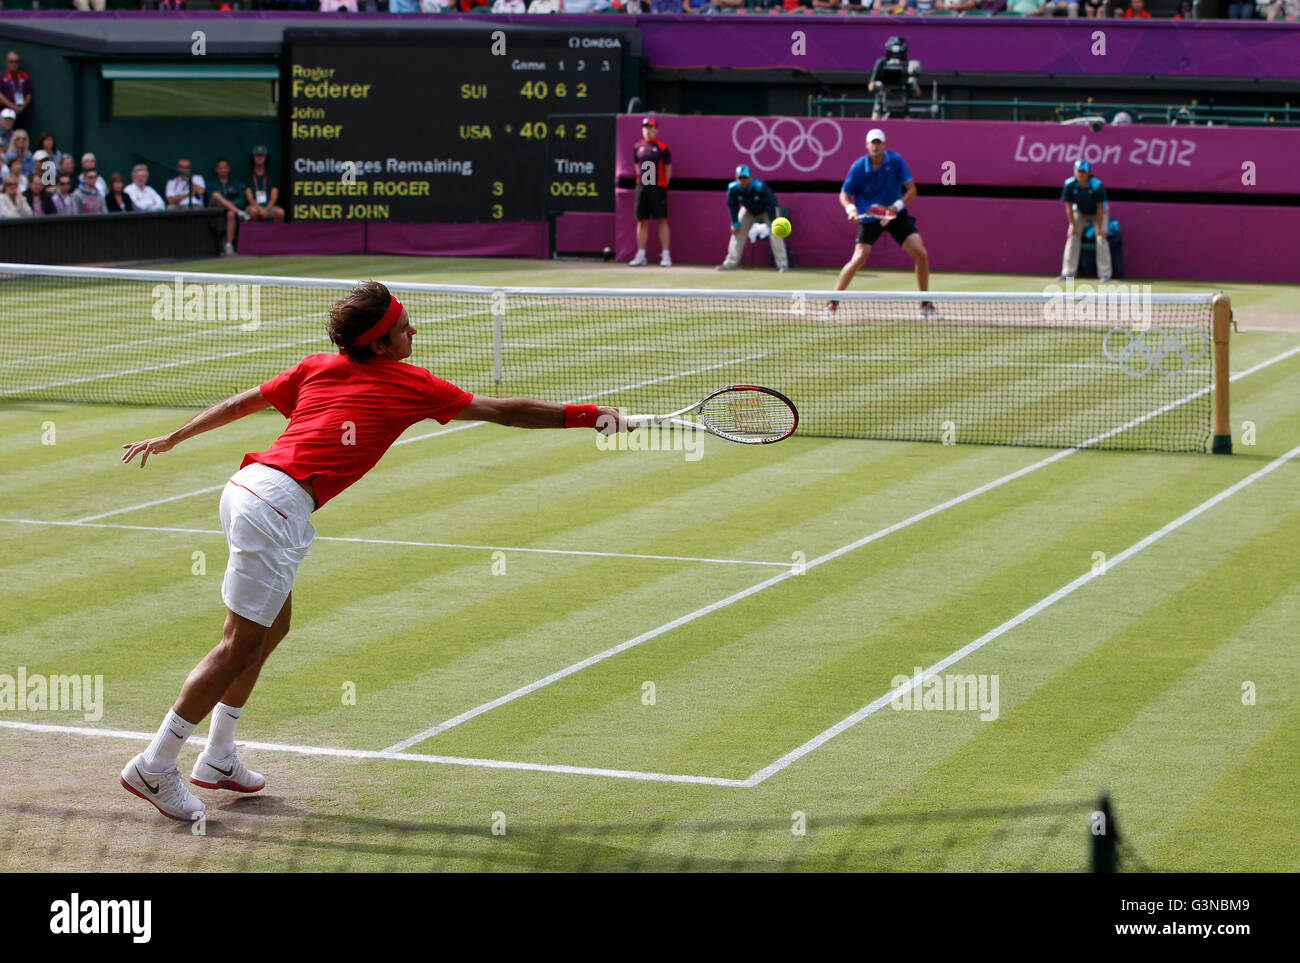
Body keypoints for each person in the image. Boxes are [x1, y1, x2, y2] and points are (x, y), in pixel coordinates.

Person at [116, 282, 631, 821]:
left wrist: (174, 437)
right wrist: (589, 415)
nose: (415, 332)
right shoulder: (411, 382)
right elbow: (504, 410)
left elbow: (241, 404)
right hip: (275, 506)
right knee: (238, 647)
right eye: (405, 327)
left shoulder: (319, 365)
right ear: (381, 345)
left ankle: (218, 755)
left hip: (247, 490)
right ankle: (154, 765)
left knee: (272, 630)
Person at [828, 128, 933, 318]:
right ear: (867, 145)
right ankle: (831, 304)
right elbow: (844, 194)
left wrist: (896, 206)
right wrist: (850, 209)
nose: (875, 146)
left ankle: (925, 305)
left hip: (894, 213)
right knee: (859, 257)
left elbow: (911, 190)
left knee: (921, 252)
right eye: (872, 143)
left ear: (884, 145)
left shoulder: (896, 161)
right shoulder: (858, 167)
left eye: (879, 143)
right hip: (869, 217)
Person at [717, 164, 788, 273]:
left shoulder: (759, 186)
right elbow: (732, 205)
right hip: (748, 210)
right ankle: (730, 263)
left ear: (750, 177)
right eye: (740, 178)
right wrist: (735, 223)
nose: (743, 180)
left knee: (776, 232)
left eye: (745, 177)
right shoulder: (733, 188)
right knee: (737, 232)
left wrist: (773, 221)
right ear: (737, 178)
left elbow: (771, 203)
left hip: (766, 210)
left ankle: (782, 265)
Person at [1058, 158, 1111, 283]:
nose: (1080, 174)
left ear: (1088, 172)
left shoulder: (1097, 185)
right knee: (1072, 236)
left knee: (1100, 238)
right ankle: (1068, 273)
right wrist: (1072, 225)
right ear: (1074, 172)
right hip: (1080, 212)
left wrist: (1098, 227)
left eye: (1083, 171)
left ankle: (1105, 274)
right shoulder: (1069, 185)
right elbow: (1068, 207)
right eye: (1078, 171)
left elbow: (1100, 207)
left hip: (1098, 213)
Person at [629, 117, 672, 267]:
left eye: (651, 127)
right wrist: (643, 182)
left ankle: (666, 255)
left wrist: (661, 185)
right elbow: (636, 167)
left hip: (657, 187)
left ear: (656, 129)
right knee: (642, 221)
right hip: (642, 187)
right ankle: (641, 255)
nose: (648, 130)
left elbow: (668, 169)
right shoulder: (637, 147)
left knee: (661, 220)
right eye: (645, 127)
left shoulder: (662, 147)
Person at [207, 157, 248, 255]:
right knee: (216, 195)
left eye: (225, 167)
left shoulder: (235, 183)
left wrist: (232, 204)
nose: (223, 170)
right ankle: (239, 212)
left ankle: (229, 245)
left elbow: (242, 200)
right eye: (221, 168)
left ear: (228, 169)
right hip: (215, 208)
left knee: (230, 214)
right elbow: (210, 198)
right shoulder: (212, 184)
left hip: (230, 210)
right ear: (217, 169)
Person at [245, 145, 285, 222]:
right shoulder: (249, 177)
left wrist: (266, 210)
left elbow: (274, 197)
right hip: (254, 207)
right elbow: (249, 198)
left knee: (280, 212)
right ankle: (255, 233)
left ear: (265, 158)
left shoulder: (271, 177)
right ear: (253, 158)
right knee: (254, 211)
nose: (259, 158)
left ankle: (276, 233)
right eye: (257, 156)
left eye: (262, 155)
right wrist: (260, 209)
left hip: (268, 207)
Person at [0, 52, 33, 121]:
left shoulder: (24, 76)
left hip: (21, 113)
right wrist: (13, 107)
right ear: (7, 63)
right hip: (5, 111)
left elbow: (28, 94)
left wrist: (22, 107)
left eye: (16, 62)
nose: (14, 64)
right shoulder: (1, 76)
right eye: (11, 62)